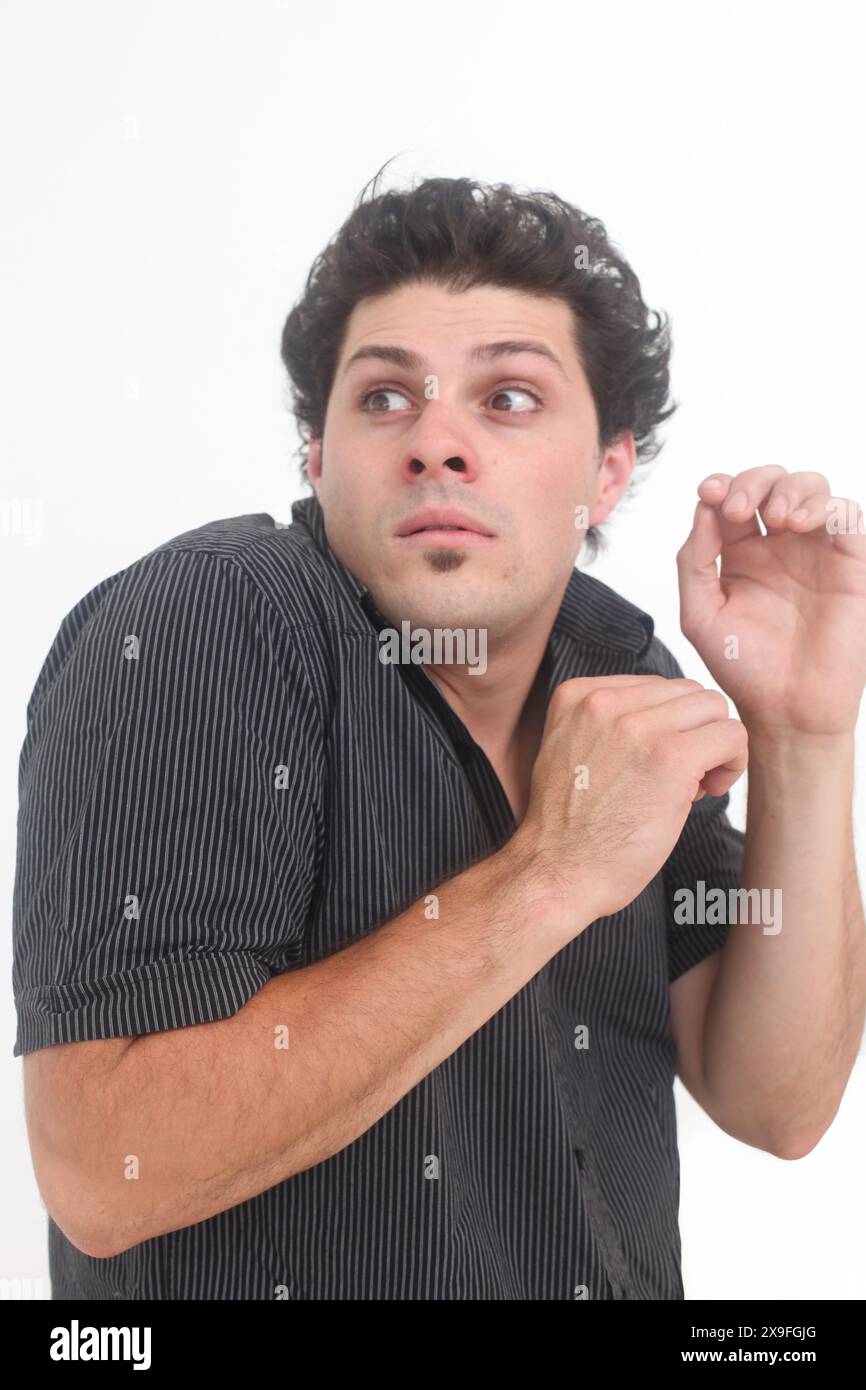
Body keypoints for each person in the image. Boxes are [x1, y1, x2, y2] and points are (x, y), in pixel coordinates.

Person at [14, 172, 866, 1301]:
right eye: (382, 399)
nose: (436, 443)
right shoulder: (209, 623)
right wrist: (546, 873)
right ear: (316, 454)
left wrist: (803, 736)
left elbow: (775, 1100)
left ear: (607, 471)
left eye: (507, 397)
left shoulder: (615, 670)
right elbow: (102, 1168)